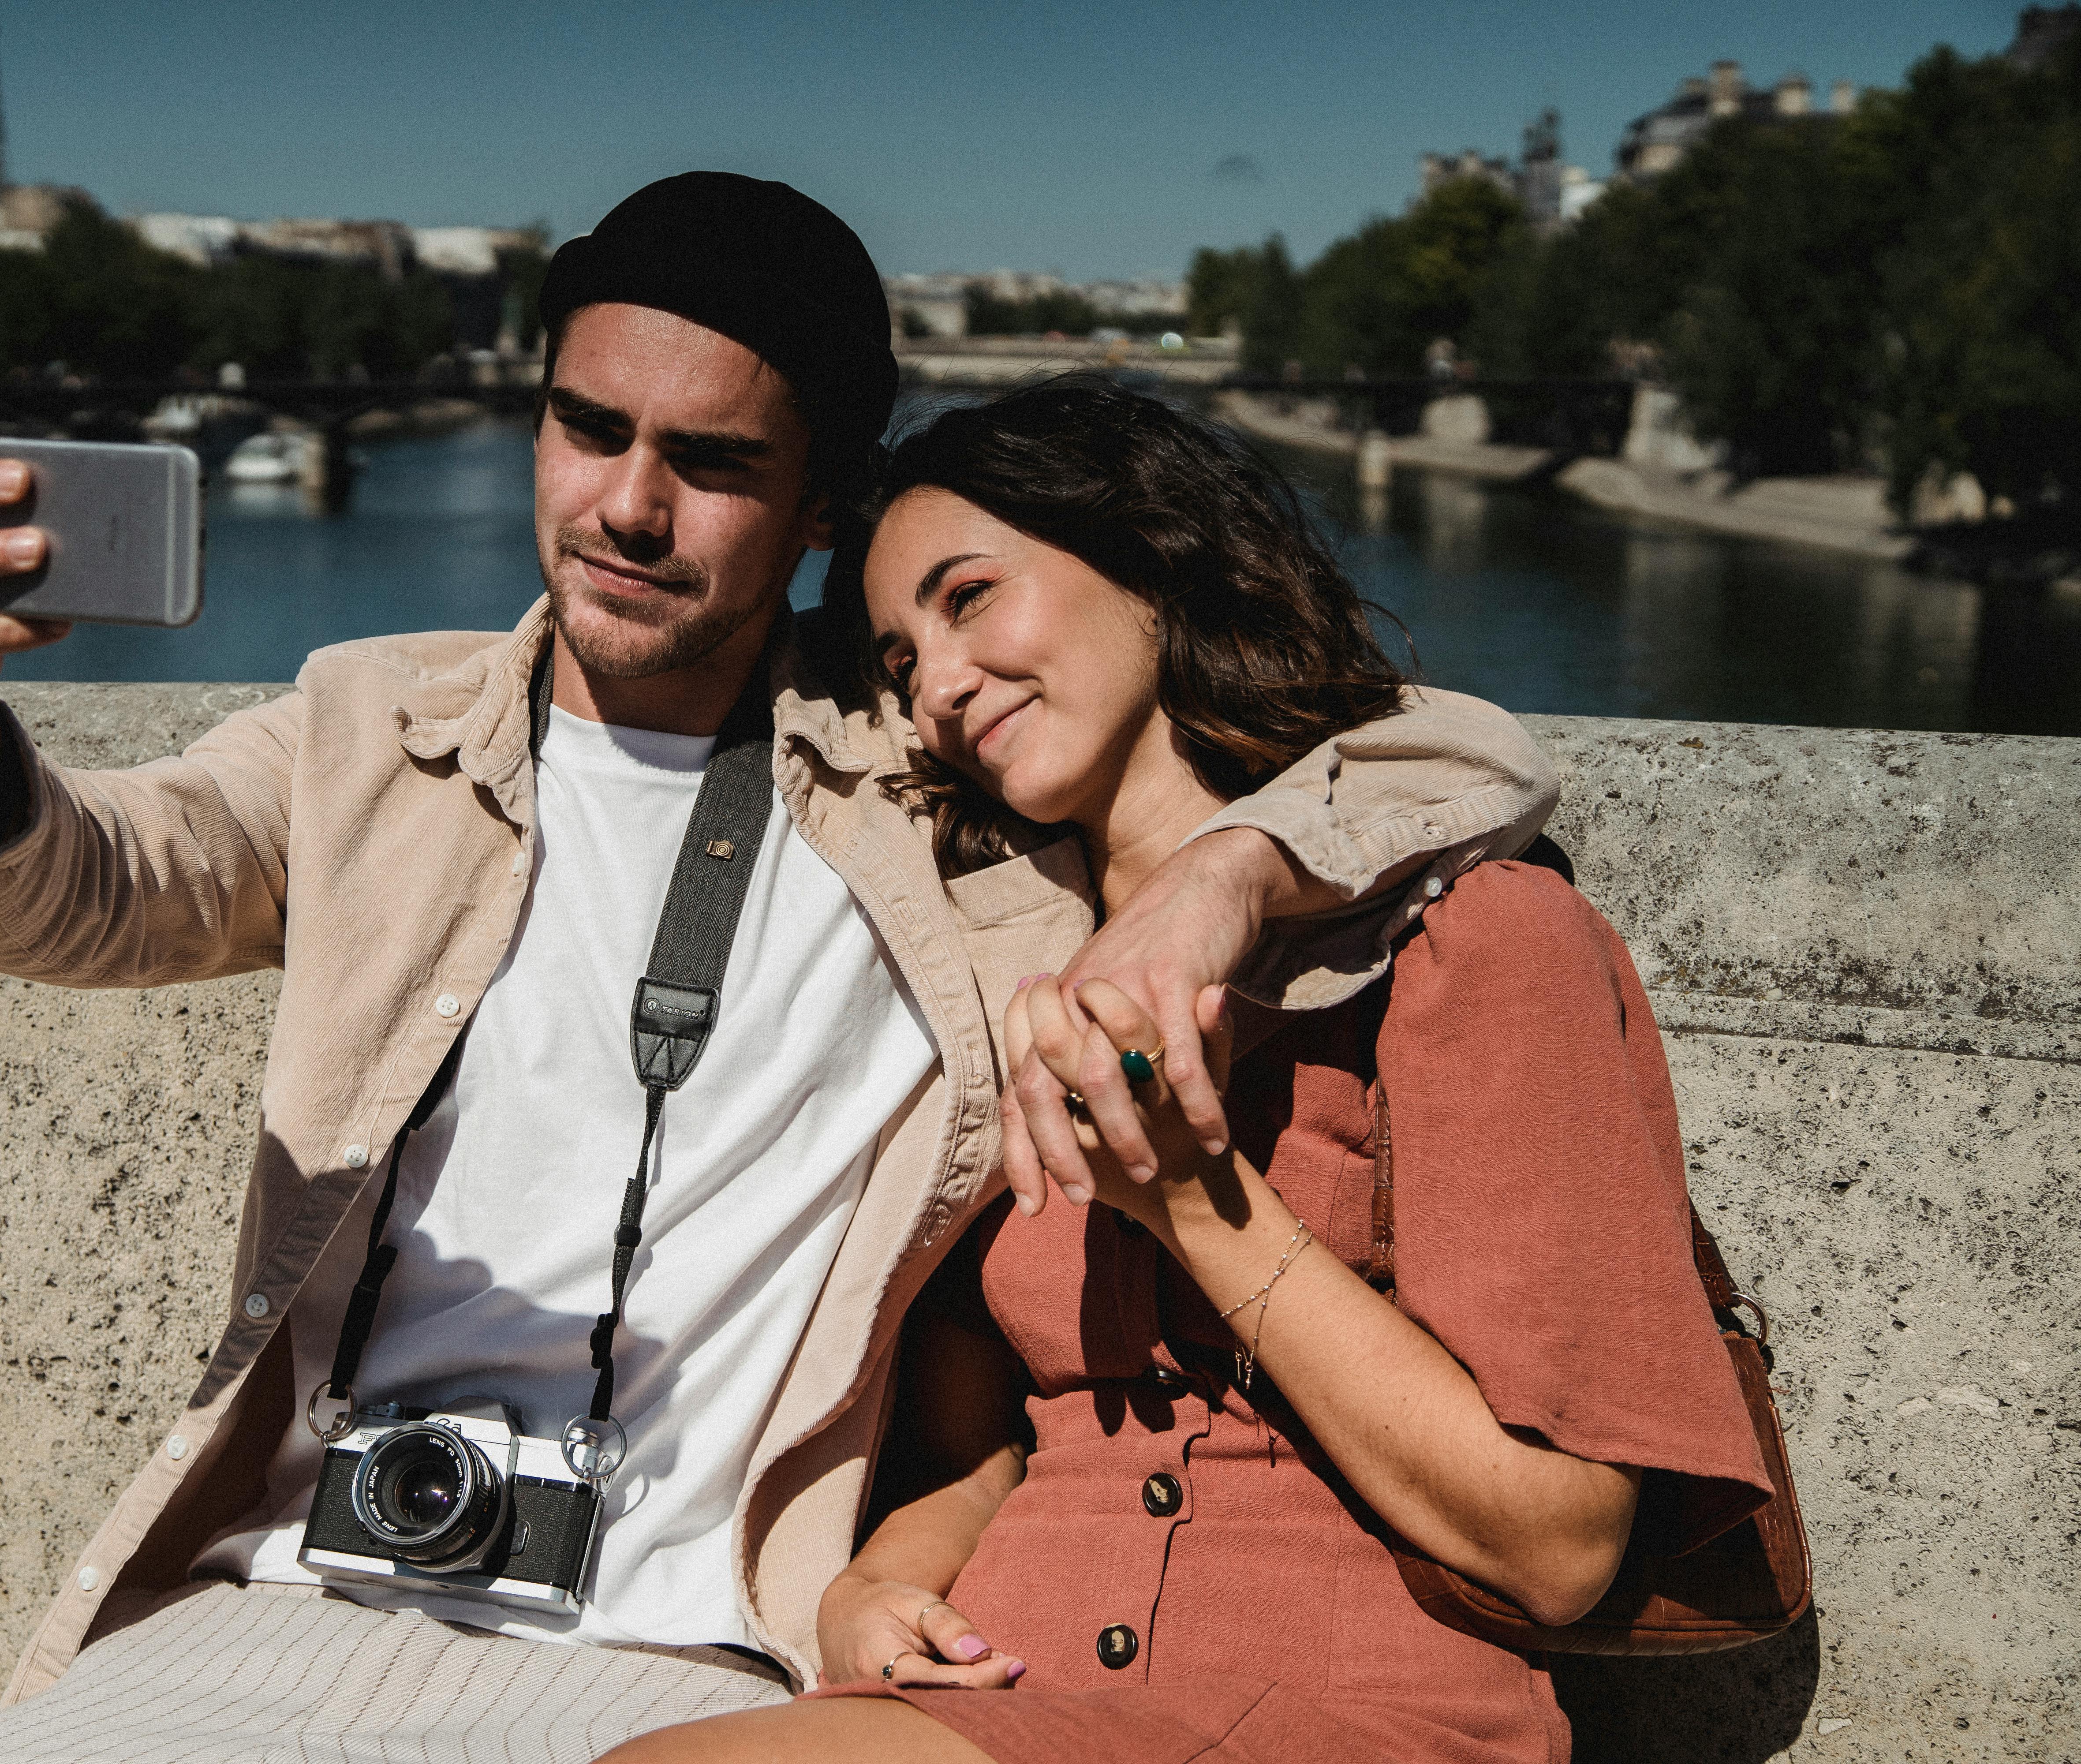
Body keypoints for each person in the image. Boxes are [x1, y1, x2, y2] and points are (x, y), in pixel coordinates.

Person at [0, 176, 1560, 1761]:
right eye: (590, 431)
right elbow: (74, 888)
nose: (628, 508)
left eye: (714, 465)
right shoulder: (376, 733)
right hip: (273, 1607)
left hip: (700, 1662)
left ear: (817, 511)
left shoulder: (946, 783)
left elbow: (1457, 750)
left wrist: (1221, 880)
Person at [605, 379, 1776, 1764]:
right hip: (1004, 1694)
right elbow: (993, 1448)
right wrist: (879, 1582)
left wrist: (1195, 1202)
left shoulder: (1478, 941)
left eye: (968, 599)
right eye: (899, 658)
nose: (938, 688)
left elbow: (1560, 1544)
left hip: (1355, 1714)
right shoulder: (996, 989)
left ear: (1151, 564)